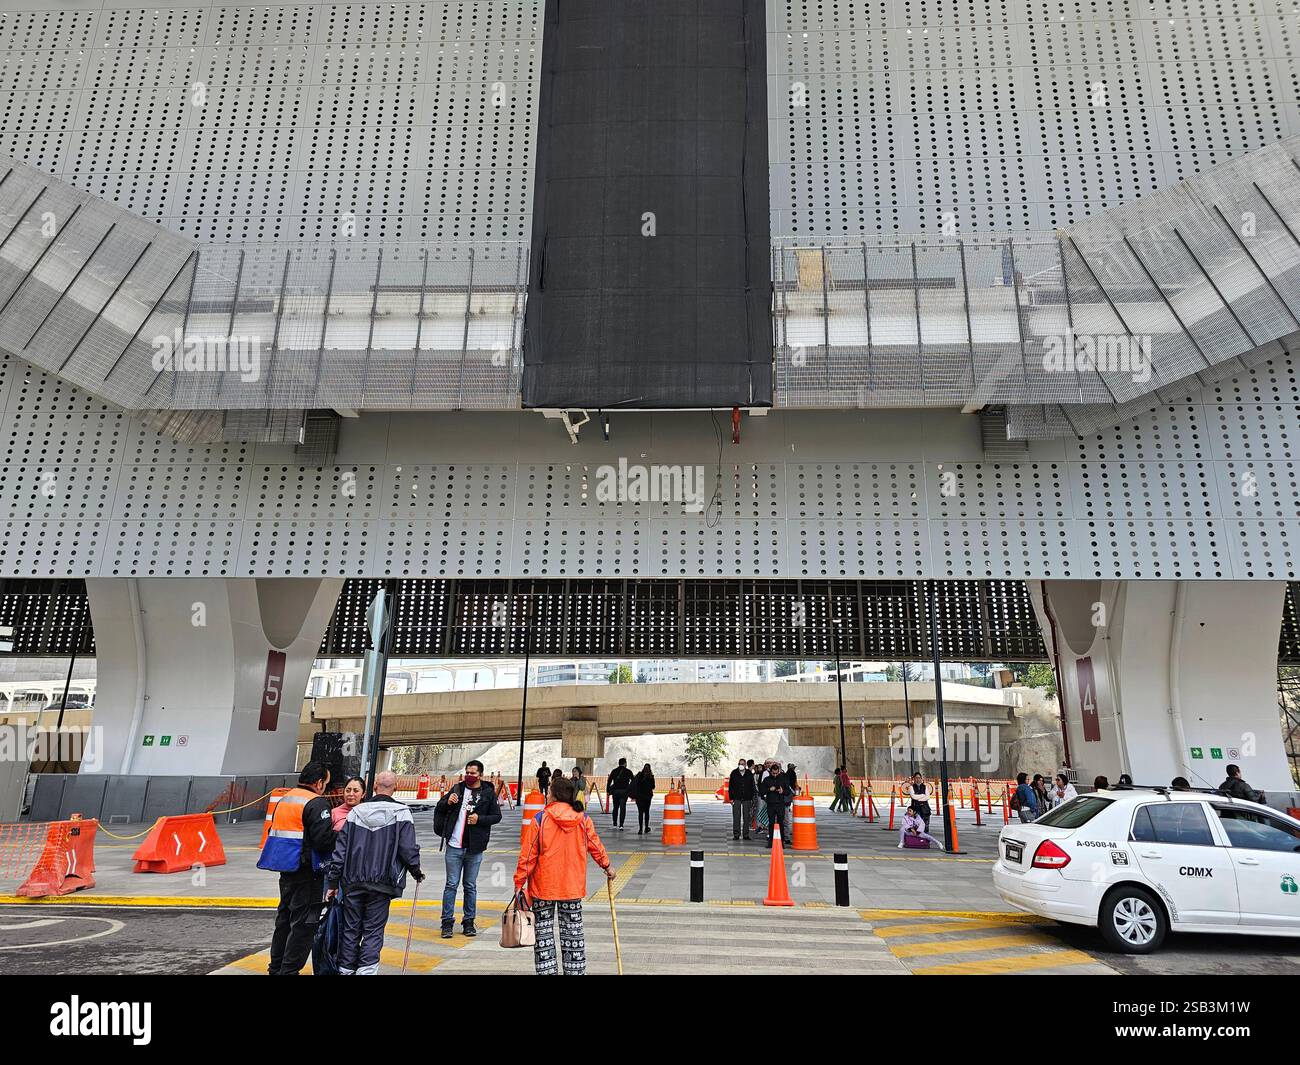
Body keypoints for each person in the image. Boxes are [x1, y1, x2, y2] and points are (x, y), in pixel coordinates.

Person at [514, 776, 614, 976]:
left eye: (549, 791)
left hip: (544, 888)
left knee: (543, 935)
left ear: (554, 794)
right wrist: (607, 866)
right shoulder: (583, 819)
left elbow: (528, 856)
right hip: (572, 887)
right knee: (573, 933)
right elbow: (595, 846)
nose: (547, 795)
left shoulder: (540, 819)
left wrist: (519, 883)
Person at [325, 770, 423, 975]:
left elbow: (340, 851)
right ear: (395, 787)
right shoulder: (402, 813)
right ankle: (367, 971)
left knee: (351, 928)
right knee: (373, 929)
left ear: (374, 787)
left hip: (353, 882)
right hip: (383, 882)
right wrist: (416, 871)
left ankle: (345, 969)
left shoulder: (355, 813)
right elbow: (408, 849)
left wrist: (333, 883)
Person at [259, 762, 337, 976]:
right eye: (326, 784)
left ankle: (276, 969)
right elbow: (323, 841)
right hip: (308, 873)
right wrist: (342, 833)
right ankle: (289, 971)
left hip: (287, 869)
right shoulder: (316, 803)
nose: (326, 788)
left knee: (284, 921)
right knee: (303, 926)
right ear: (318, 783)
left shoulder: (285, 799)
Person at [433, 759, 502, 939]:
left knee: (470, 886)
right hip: (454, 845)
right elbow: (439, 807)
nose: (469, 776)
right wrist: (448, 801)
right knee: (451, 885)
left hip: (475, 847)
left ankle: (469, 921)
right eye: (467, 772)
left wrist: (480, 819)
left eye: (473, 773)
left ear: (480, 775)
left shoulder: (487, 793)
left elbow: (496, 816)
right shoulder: (457, 789)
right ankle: (447, 922)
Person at [759, 760, 791, 848]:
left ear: (779, 771)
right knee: (771, 823)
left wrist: (782, 791)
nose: (775, 775)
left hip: (780, 804)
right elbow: (761, 791)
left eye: (777, 773)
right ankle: (770, 842)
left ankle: (781, 842)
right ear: (770, 772)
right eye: (773, 773)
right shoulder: (766, 780)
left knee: (781, 823)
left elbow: (788, 791)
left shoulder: (783, 778)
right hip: (771, 804)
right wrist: (769, 789)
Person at [728, 758, 755, 840]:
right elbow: (731, 786)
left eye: (743, 764)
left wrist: (752, 797)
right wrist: (731, 798)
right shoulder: (734, 773)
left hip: (747, 798)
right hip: (736, 797)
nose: (741, 765)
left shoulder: (749, 773)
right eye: (740, 763)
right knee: (736, 816)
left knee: (746, 817)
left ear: (746, 765)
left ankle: (746, 834)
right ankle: (736, 834)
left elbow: (752, 786)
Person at [607, 757, 634, 830]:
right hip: (624, 792)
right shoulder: (628, 771)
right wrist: (630, 789)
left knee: (615, 807)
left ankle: (614, 823)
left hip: (615, 792)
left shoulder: (614, 771)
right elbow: (633, 781)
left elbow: (609, 781)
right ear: (625, 763)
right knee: (622, 808)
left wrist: (608, 791)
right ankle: (621, 825)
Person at [633, 763, 655, 834]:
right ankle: (646, 828)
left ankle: (640, 829)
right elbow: (653, 787)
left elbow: (634, 783)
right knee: (647, 812)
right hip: (647, 797)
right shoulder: (651, 776)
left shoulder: (639, 775)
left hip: (639, 797)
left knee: (640, 813)